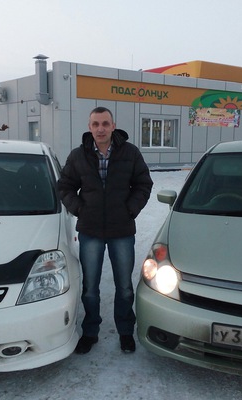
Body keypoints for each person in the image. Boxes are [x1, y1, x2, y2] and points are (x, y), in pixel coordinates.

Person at [57, 106, 153, 354]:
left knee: (124, 286)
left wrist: (130, 209)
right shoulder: (78, 155)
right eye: (96, 124)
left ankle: (125, 331)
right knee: (90, 288)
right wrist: (80, 209)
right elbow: (65, 186)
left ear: (113, 126)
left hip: (122, 229)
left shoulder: (130, 153)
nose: (101, 129)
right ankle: (90, 332)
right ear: (89, 127)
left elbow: (143, 184)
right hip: (90, 231)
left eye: (105, 123)